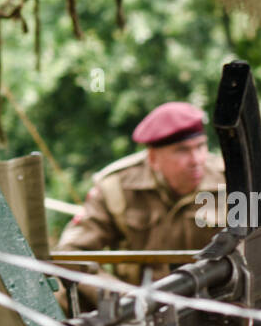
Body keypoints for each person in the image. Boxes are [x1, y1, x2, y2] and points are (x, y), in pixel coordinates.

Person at [58, 101, 225, 306]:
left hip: (216, 311)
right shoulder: (115, 187)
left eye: (200, 146)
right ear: (153, 158)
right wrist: (119, 298)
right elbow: (70, 253)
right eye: (182, 150)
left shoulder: (232, 182)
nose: (196, 159)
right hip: (138, 312)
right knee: (62, 295)